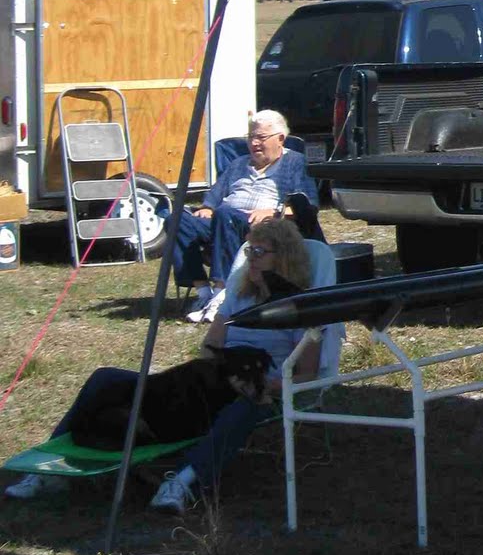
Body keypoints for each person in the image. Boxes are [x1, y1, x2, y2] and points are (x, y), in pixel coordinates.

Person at [6, 218, 321, 511]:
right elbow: (211, 348)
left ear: (282, 258)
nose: (250, 258)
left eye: (259, 252)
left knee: (244, 407)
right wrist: (216, 375)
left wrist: (264, 385)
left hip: (264, 391)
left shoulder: (304, 307)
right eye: (249, 250)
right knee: (105, 379)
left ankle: (184, 481)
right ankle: (50, 468)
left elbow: (309, 374)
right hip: (218, 382)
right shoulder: (239, 297)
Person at [171, 110, 318, 322]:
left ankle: (222, 293)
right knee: (177, 219)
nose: (254, 143)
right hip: (224, 220)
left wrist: (273, 212)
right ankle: (203, 292)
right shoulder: (238, 164)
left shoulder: (295, 163)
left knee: (225, 215)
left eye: (261, 137)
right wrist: (208, 208)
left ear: (280, 139)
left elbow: (308, 205)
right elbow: (213, 198)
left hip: (264, 228)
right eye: (251, 137)